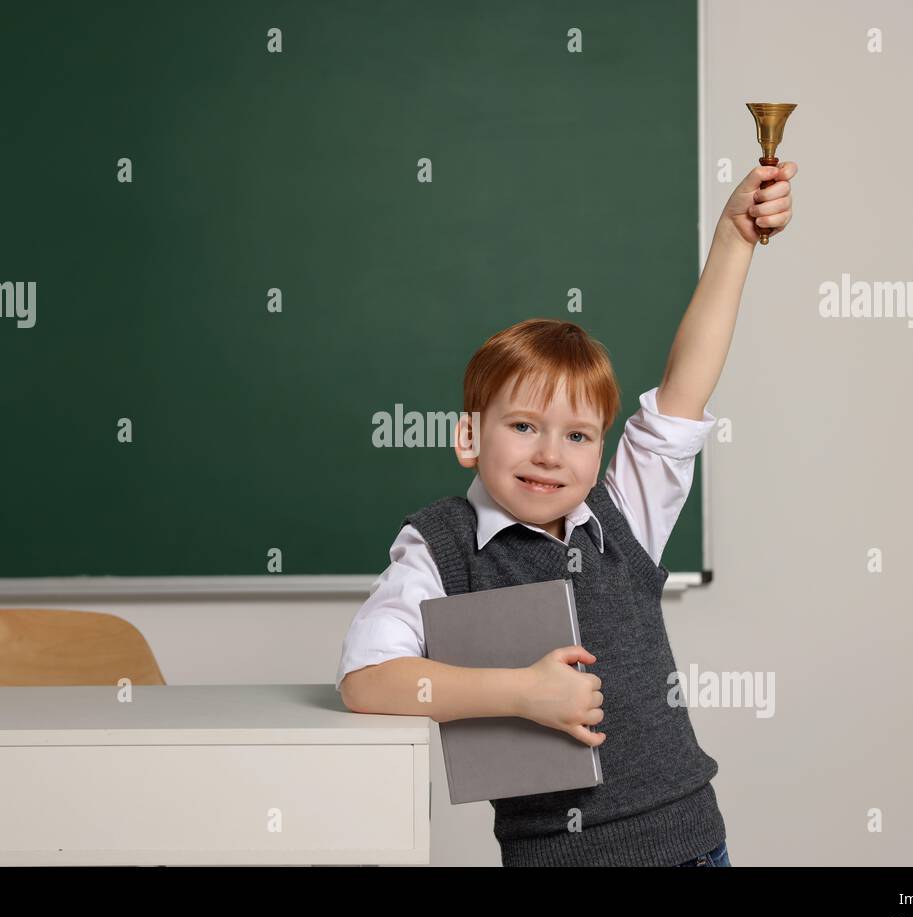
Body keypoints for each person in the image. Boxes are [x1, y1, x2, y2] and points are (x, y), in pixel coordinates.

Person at [337, 162, 796, 866]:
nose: (551, 454)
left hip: (695, 845)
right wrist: (522, 692)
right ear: (468, 436)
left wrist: (735, 239)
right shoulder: (442, 545)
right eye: (523, 425)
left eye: (578, 435)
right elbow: (368, 680)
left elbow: (684, 389)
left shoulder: (623, 515)